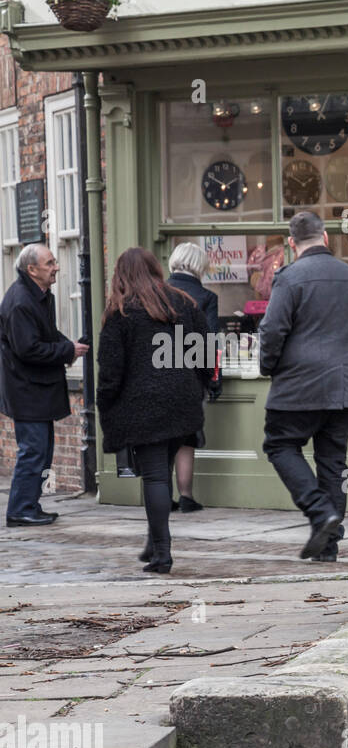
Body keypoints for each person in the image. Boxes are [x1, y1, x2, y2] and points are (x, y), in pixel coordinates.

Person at [259, 211, 348, 561]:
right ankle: (329, 546)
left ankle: (318, 511)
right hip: (345, 387)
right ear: (325, 238)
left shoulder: (289, 278)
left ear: (292, 244)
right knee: (333, 462)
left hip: (298, 387)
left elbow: (272, 331)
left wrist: (269, 367)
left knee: (280, 446)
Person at [97, 248, 208, 573]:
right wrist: (195, 387)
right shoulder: (184, 303)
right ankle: (153, 542)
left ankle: (162, 553)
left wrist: (106, 403)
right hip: (183, 403)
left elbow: (110, 371)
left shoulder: (120, 312)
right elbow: (203, 352)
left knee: (156, 477)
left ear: (121, 275)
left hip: (144, 408)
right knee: (163, 471)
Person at [0, 244, 88, 528]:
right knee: (34, 450)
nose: (56, 267)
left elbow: (46, 335)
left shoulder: (38, 296)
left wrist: (69, 346)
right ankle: (20, 509)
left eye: (54, 262)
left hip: (36, 389)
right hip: (27, 390)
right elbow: (28, 349)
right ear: (32, 269)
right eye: (50, 263)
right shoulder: (22, 302)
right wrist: (66, 351)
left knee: (42, 450)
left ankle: (29, 504)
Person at [166, 242, 221, 513]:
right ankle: (186, 495)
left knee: (160, 438)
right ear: (200, 266)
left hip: (156, 375)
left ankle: (161, 496)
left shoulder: (155, 293)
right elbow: (209, 343)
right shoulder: (205, 297)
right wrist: (213, 379)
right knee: (187, 439)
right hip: (190, 379)